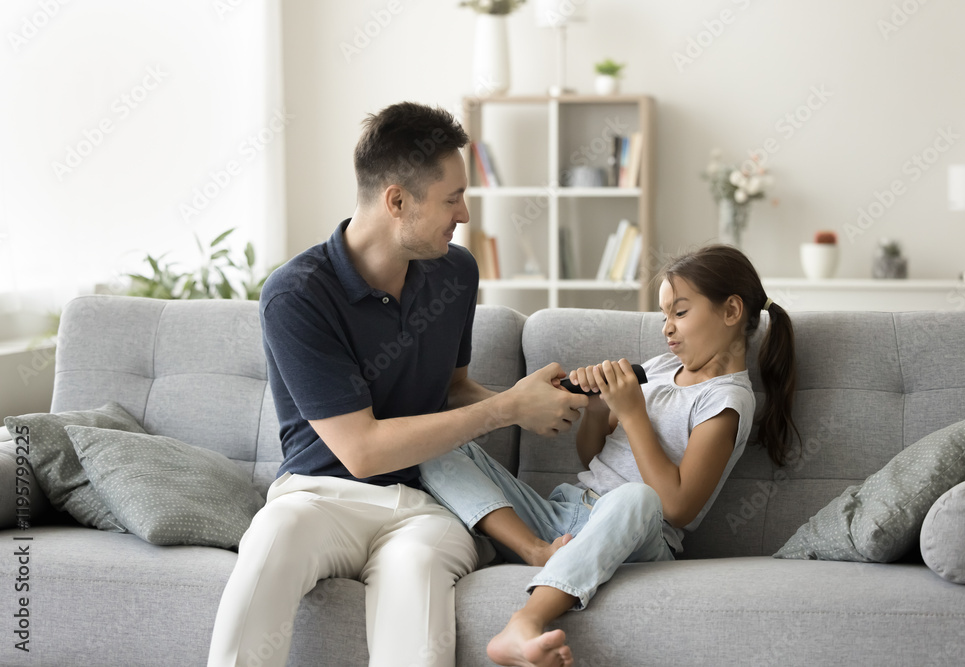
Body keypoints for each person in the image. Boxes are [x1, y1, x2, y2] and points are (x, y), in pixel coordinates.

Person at [207, 101, 590, 667]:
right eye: (453, 198)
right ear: (397, 200)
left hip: (425, 504)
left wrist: (527, 404)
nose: (463, 213)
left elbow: (452, 388)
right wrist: (506, 408)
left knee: (417, 567)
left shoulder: (455, 272)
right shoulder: (297, 295)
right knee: (275, 532)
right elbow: (360, 451)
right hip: (320, 496)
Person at [418, 244, 800, 667]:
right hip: (564, 518)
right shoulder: (657, 369)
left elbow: (676, 506)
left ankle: (526, 621)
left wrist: (634, 412)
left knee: (639, 498)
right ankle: (534, 551)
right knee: (436, 442)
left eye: (680, 312)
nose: (667, 329)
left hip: (639, 533)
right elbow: (592, 457)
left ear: (731, 311)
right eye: (664, 316)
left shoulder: (725, 401)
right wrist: (599, 409)